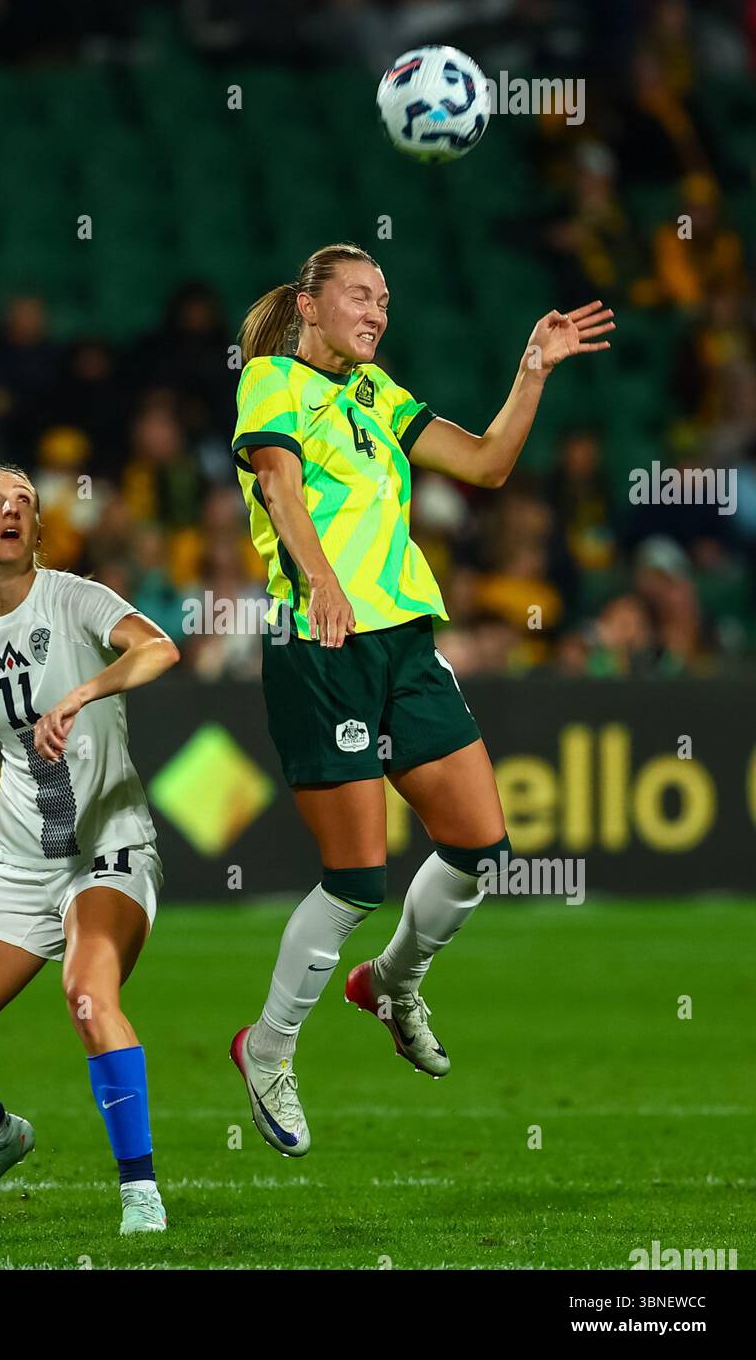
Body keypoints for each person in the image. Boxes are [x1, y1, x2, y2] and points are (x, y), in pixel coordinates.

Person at [228, 243, 613, 1155]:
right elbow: (280, 484)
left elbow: (485, 466)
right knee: (357, 878)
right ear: (308, 304)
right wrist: (321, 581)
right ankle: (269, 1047)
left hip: (404, 642)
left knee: (481, 846)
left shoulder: (376, 394)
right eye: (359, 295)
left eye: (387, 299)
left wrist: (532, 371)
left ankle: (392, 984)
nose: (377, 311)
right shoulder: (270, 381)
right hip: (322, 646)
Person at [0, 463, 179, 1232]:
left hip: (109, 849)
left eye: (24, 500)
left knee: (89, 996)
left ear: (34, 530)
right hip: (21, 864)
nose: (11, 508)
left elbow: (159, 650)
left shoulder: (75, 597)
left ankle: (139, 1191)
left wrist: (86, 692)